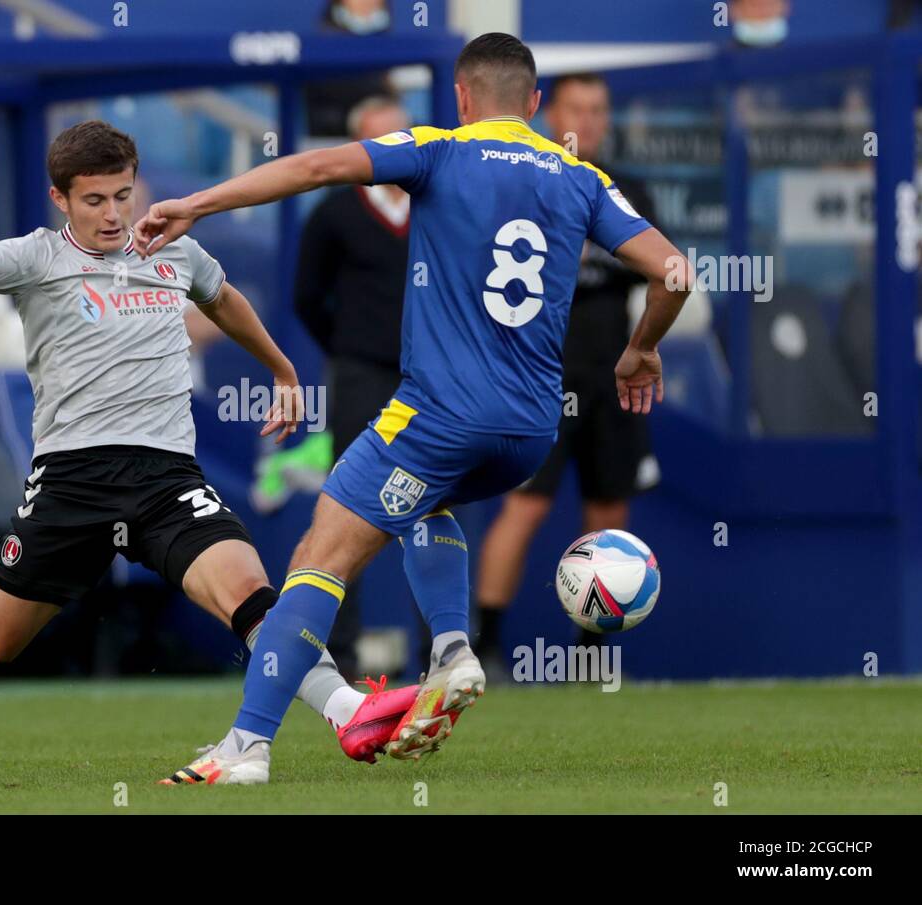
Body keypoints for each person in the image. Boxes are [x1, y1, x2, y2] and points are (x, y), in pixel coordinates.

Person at [0, 121, 418, 784]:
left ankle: (350, 711)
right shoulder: (36, 258)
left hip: (166, 477)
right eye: (95, 200)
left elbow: (223, 298)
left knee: (253, 596)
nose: (114, 213)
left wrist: (283, 369)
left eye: (123, 194)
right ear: (60, 198)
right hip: (70, 484)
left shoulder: (175, 250)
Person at [135, 33, 692, 784]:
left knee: (314, 557)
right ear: (534, 105)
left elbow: (317, 166)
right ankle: (455, 649)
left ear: (462, 98)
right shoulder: (580, 176)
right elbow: (674, 271)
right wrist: (643, 348)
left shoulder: (437, 148)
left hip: (438, 413)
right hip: (528, 430)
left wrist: (198, 203)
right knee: (425, 505)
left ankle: (246, 747)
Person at [474, 73, 661, 678]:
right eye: (577, 106)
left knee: (608, 515)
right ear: (548, 111)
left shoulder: (623, 190)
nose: (589, 118)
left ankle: (590, 656)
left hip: (614, 373)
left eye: (600, 108)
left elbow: (659, 273)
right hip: (539, 374)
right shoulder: (524, 177)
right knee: (524, 508)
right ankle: (486, 647)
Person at [290, 94, 414, 680]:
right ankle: (337, 650)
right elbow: (306, 296)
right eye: (380, 140)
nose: (393, 150)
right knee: (350, 508)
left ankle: (446, 648)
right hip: (362, 375)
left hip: (429, 381)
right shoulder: (335, 213)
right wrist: (348, 346)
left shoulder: (434, 204)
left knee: (436, 507)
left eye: (401, 136)